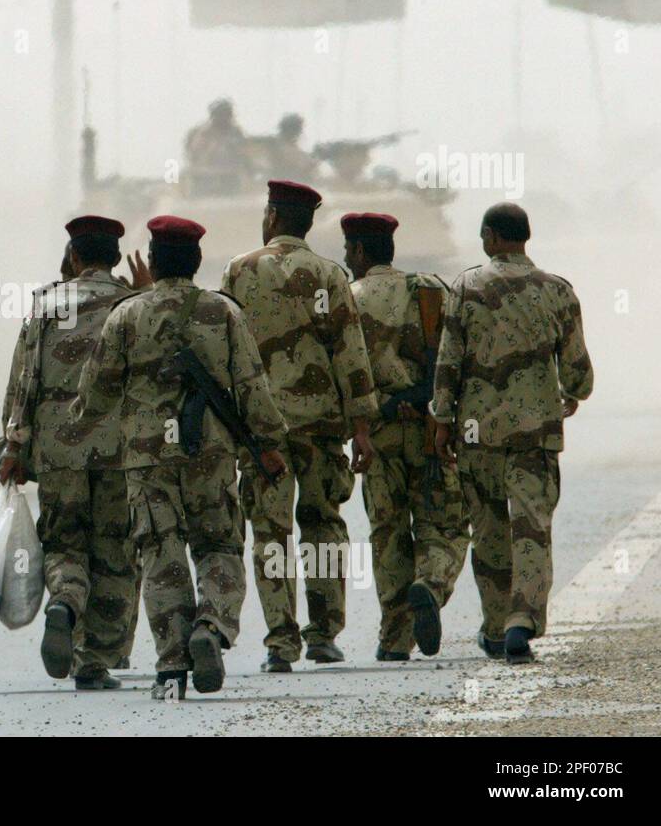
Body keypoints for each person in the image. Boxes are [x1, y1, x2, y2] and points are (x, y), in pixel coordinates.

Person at [66, 215, 287, 699]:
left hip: (147, 459)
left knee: (160, 554)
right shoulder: (223, 313)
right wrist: (269, 443)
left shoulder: (125, 315)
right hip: (209, 452)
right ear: (197, 260)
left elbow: (95, 394)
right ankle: (210, 626)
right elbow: (251, 384)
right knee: (219, 547)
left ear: (155, 259)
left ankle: (171, 665)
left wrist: (80, 427)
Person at [221, 180, 377, 672]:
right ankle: (324, 634)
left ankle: (279, 642)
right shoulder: (329, 275)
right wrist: (363, 428)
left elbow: (224, 350)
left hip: (259, 430)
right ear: (307, 223)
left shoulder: (238, 272)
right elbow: (350, 354)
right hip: (320, 425)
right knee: (324, 525)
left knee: (270, 532)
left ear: (271, 217)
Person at [431, 203, 593, 665]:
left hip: (476, 434)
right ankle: (522, 618)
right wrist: (571, 392)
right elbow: (579, 373)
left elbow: (449, 361)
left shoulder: (466, 286)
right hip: (535, 435)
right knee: (531, 529)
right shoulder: (558, 290)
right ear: (525, 237)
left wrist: (442, 419)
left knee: (488, 532)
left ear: (491, 236)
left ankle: (496, 626)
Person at [0, 216, 148, 690]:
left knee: (65, 543)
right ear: (117, 257)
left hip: (59, 449)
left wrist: (13, 447)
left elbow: (25, 383)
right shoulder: (133, 306)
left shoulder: (46, 304)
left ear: (74, 257)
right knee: (116, 549)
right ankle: (94, 661)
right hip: (120, 450)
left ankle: (63, 603)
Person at [341, 212, 470, 660]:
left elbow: (343, 371)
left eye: (347, 249)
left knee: (388, 533)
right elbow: (456, 357)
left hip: (375, 433)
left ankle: (394, 639)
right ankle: (431, 585)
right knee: (447, 525)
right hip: (429, 428)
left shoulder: (347, 300)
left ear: (358, 252)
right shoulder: (430, 290)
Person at [185, 99, 248, 196]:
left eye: (226, 114)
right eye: (221, 114)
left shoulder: (235, 133)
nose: (223, 118)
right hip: (204, 177)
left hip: (230, 177)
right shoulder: (203, 133)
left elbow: (243, 152)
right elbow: (194, 153)